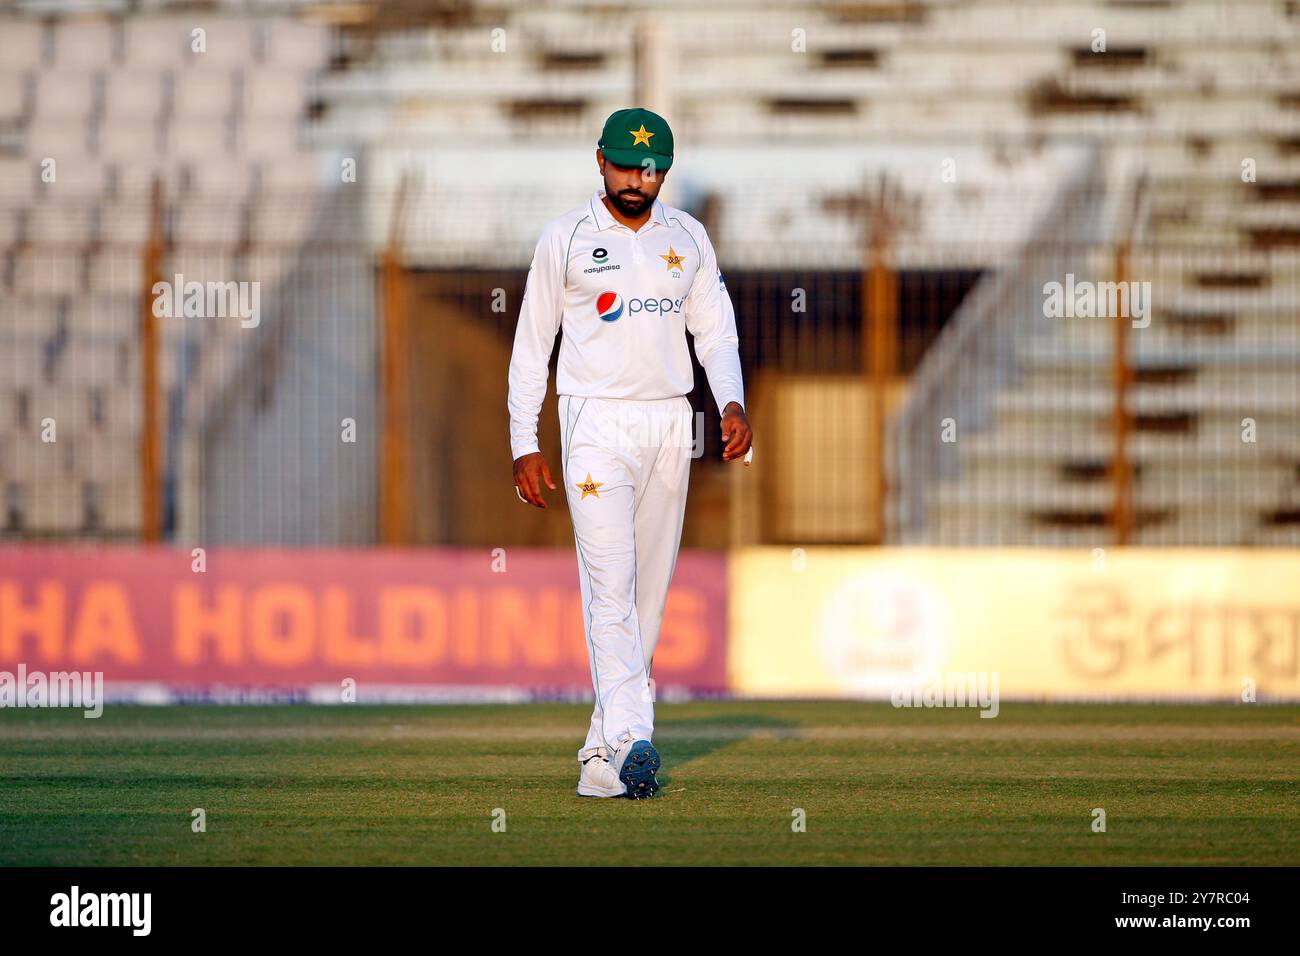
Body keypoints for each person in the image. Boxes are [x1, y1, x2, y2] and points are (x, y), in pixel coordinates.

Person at [507, 107, 752, 798]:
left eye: (649, 168)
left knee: (647, 594)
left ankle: (599, 758)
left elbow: (717, 335)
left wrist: (728, 402)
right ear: (599, 161)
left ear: (663, 172)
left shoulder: (689, 238)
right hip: (593, 425)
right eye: (624, 165)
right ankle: (634, 735)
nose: (637, 179)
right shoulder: (566, 238)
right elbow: (532, 352)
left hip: (670, 423)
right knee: (608, 585)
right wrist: (523, 443)